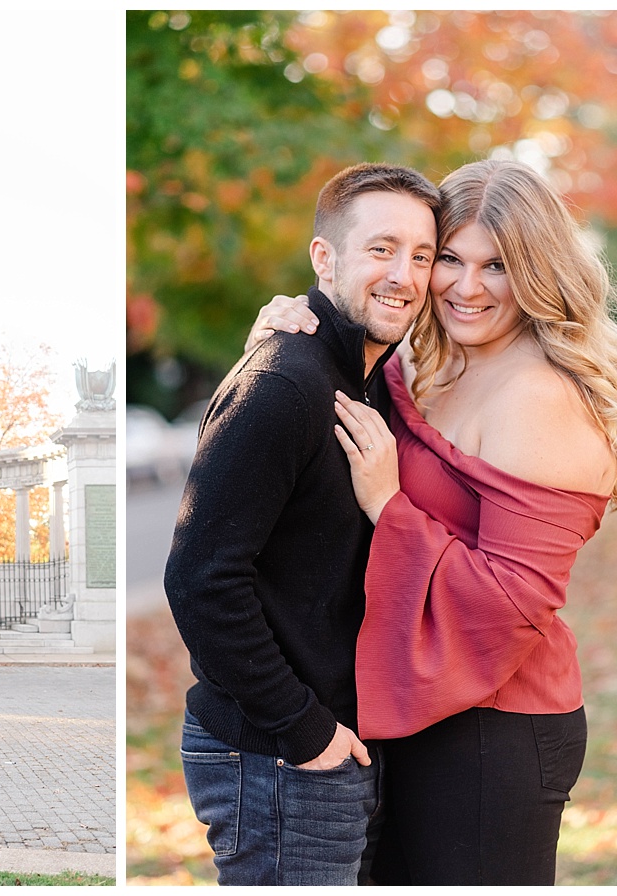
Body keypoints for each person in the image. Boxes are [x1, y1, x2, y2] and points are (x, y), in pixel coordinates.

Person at [246, 158, 617, 884]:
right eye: (449, 259)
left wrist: (389, 505)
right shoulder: (428, 360)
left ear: (537, 273)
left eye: (497, 266)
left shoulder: (539, 396)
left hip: (495, 727)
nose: (467, 288)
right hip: (413, 707)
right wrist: (287, 332)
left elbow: (512, 603)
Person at [163, 162, 442, 886]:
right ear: (325, 257)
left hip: (334, 747)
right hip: (279, 757)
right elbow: (199, 579)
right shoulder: (286, 382)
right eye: (381, 249)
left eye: (422, 255)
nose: (404, 276)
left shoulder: (364, 379)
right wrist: (304, 730)